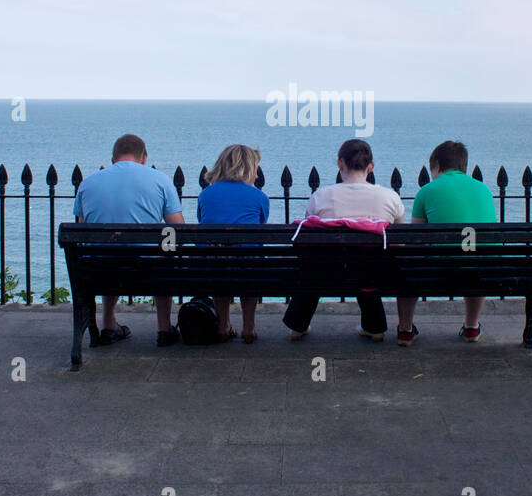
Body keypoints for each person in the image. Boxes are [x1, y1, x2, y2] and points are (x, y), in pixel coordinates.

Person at [283, 138, 405, 341]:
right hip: (374, 274)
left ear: (340, 163)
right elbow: (399, 242)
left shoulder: (321, 196)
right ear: (371, 167)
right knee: (367, 263)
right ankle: (374, 327)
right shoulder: (390, 197)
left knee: (316, 264)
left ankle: (298, 324)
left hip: (324, 274)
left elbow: (308, 239)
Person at [72, 133, 185, 346]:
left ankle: (107, 324)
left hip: (98, 271)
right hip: (148, 269)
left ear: (113, 159)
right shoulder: (160, 179)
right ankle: (163, 328)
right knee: (165, 256)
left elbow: (81, 228)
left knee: (105, 251)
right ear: (143, 158)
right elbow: (177, 227)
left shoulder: (87, 184)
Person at [395, 140, 497, 345]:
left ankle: (405, 330)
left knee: (407, 263)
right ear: (463, 166)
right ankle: (471, 327)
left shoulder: (427, 191)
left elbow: (416, 240)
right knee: (476, 256)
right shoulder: (483, 190)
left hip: (439, 272)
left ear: (438, 165)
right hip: (486, 271)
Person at [197, 144, 270, 343]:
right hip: (247, 266)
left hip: (212, 265)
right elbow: (260, 226)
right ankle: (249, 327)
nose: (256, 175)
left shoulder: (206, 194)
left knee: (219, 263)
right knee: (249, 263)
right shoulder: (259, 197)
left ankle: (222, 326)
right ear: (248, 169)